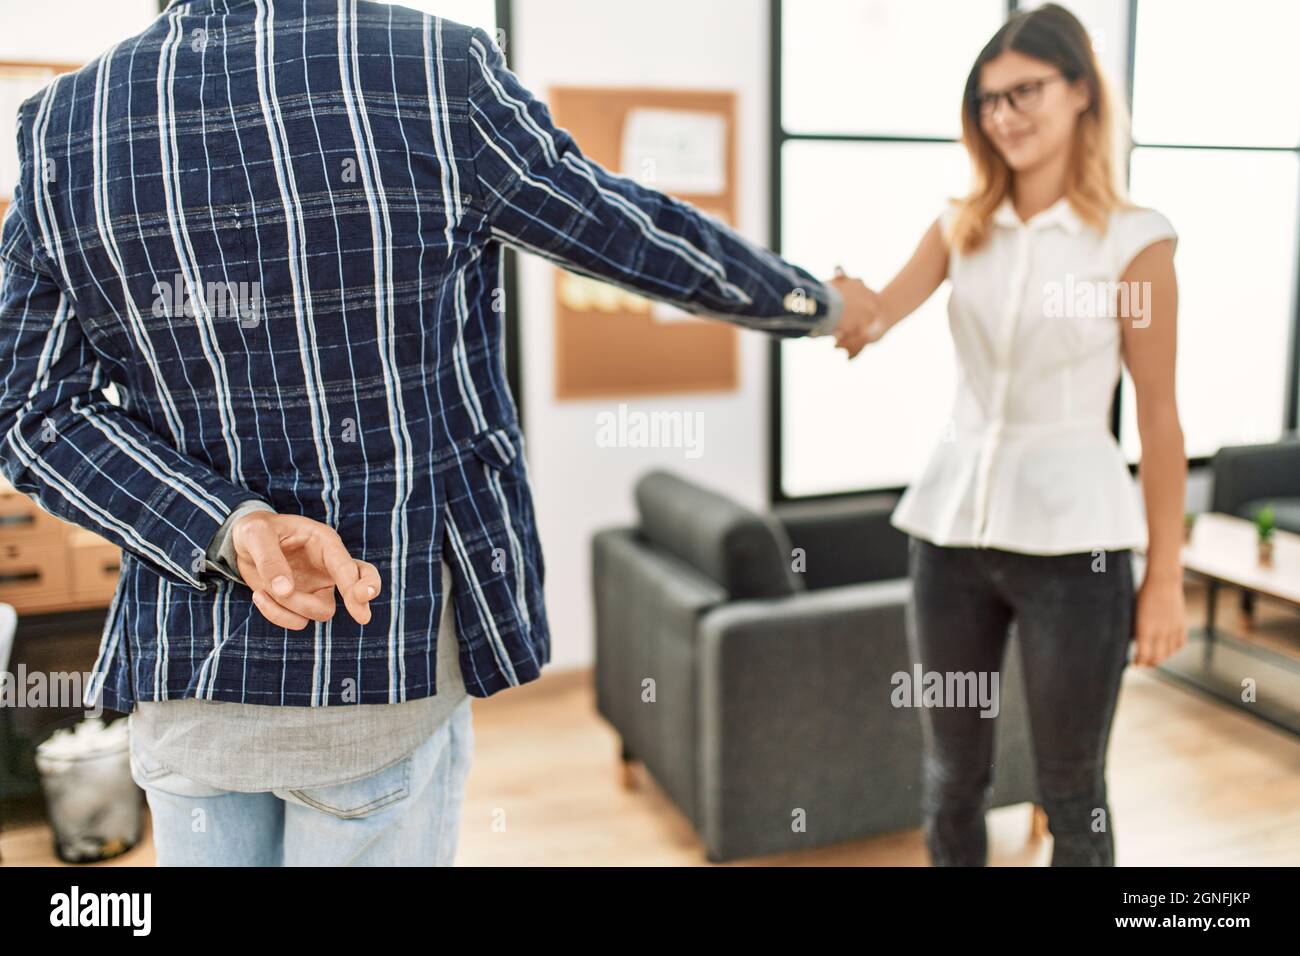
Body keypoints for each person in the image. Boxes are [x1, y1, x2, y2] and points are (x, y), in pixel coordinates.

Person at [0, 0, 879, 866]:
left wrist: (232, 527)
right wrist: (816, 302)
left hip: (186, 681)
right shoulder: (433, 67)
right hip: (381, 653)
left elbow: (29, 411)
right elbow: (626, 233)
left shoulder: (62, 127)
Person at [852, 4, 1187, 865]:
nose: (1003, 115)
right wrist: (827, 305)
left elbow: (1157, 416)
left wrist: (1165, 580)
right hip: (950, 539)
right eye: (987, 101)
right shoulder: (960, 224)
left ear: (1080, 90)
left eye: (1023, 91)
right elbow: (877, 313)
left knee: (1072, 791)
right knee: (950, 777)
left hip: (1079, 553)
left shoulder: (1135, 242)